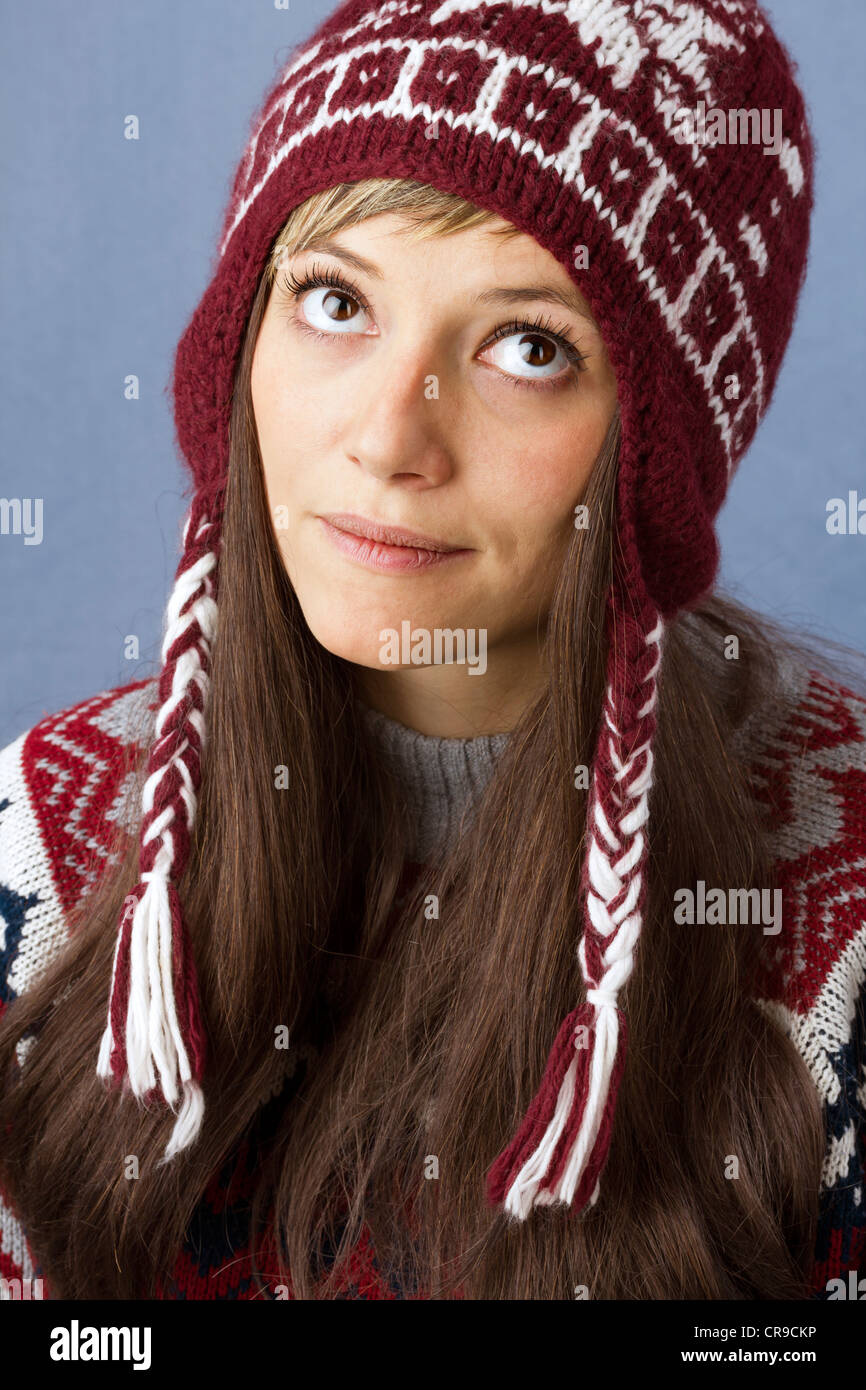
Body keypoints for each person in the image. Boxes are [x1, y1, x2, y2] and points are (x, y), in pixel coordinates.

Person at [1, 0, 864, 1301]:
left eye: (529, 346)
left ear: (660, 450)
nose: (391, 440)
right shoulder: (43, 860)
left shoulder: (837, 916)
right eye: (336, 299)